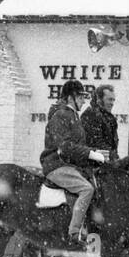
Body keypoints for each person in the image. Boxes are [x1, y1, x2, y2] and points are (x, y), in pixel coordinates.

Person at [40, 79, 107, 247]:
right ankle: (74, 233)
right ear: (71, 98)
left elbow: (76, 146)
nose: (84, 101)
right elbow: (64, 147)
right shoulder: (62, 115)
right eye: (81, 97)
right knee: (87, 189)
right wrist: (90, 153)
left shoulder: (71, 115)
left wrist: (93, 154)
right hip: (56, 164)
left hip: (68, 164)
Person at [81, 83, 120, 162]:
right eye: (109, 99)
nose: (112, 103)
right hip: (94, 163)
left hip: (107, 161)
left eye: (113, 100)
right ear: (99, 99)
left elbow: (113, 145)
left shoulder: (110, 118)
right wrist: (113, 159)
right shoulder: (90, 115)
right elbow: (96, 142)